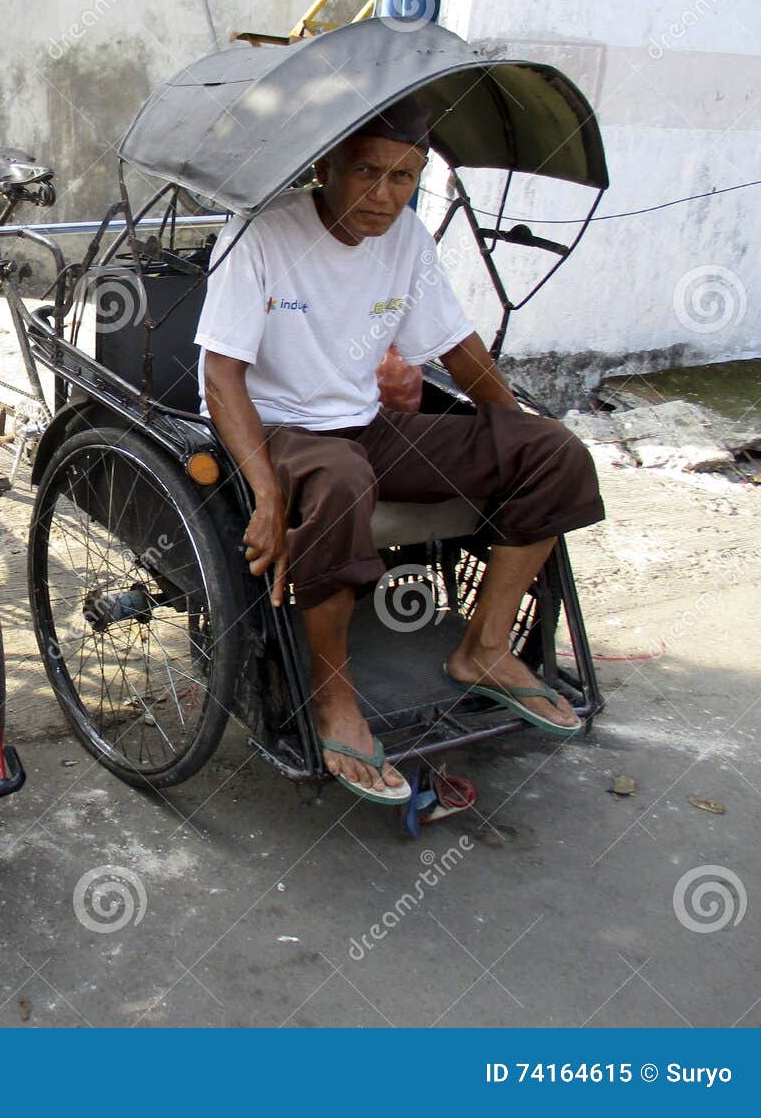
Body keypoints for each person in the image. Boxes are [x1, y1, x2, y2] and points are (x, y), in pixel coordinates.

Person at [195, 97, 604, 804]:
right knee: (342, 479)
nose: (383, 196)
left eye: (403, 178)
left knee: (554, 451)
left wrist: (511, 431)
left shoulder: (407, 239)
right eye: (367, 173)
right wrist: (264, 492)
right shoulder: (259, 233)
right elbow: (220, 374)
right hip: (279, 429)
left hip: (364, 427)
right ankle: (333, 698)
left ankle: (483, 650)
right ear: (326, 166)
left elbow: (451, 342)